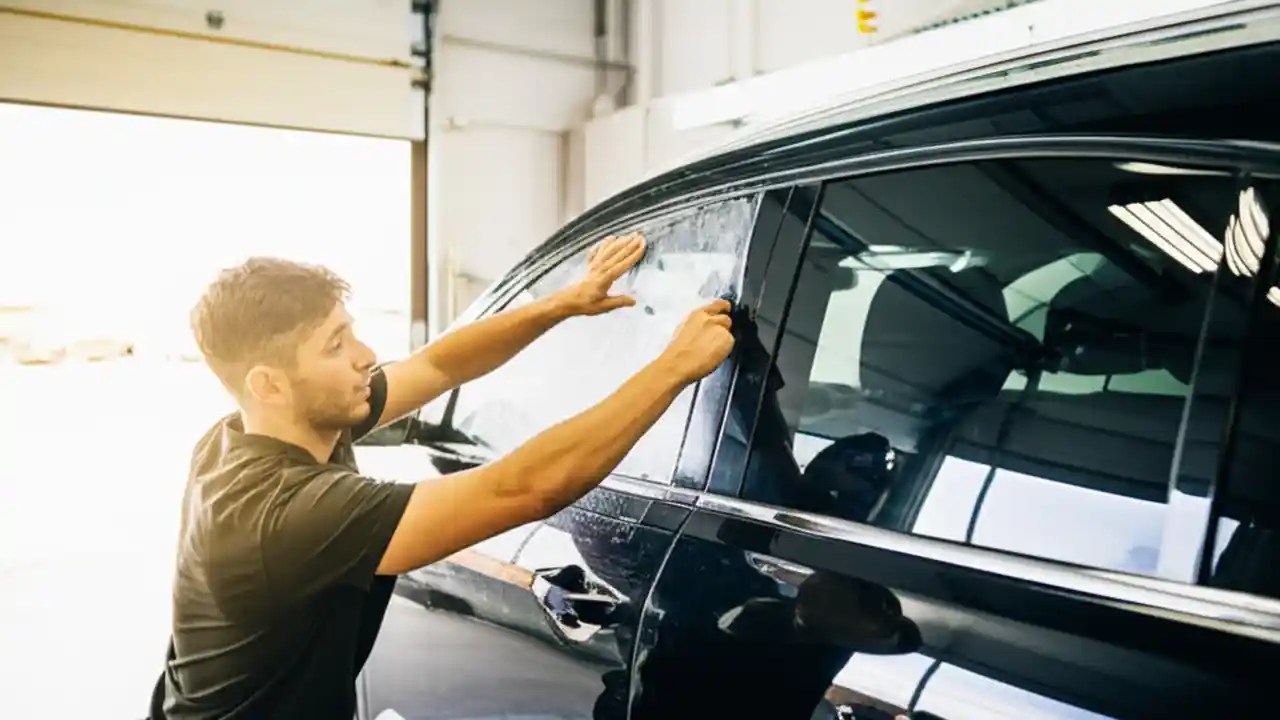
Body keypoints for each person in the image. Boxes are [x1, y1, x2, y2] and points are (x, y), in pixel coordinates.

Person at [147, 232, 735, 719]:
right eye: (334, 345)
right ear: (269, 384)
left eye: (349, 330)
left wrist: (565, 301)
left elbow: (437, 364)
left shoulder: (265, 428)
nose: (365, 354)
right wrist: (673, 368)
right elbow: (525, 488)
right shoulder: (284, 512)